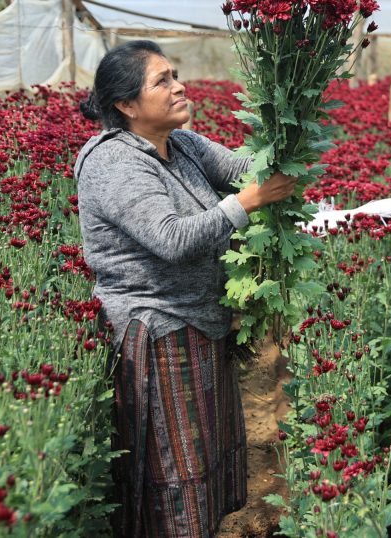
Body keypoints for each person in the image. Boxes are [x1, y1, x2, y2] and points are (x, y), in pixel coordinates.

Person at [73, 40, 297, 537]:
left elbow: (245, 170)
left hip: (200, 321)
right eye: (162, 81)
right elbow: (171, 239)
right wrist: (247, 203)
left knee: (203, 455)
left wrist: (293, 118)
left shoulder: (183, 144)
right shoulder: (115, 163)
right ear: (126, 105)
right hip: (160, 330)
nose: (179, 87)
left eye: (175, 75)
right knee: (174, 464)